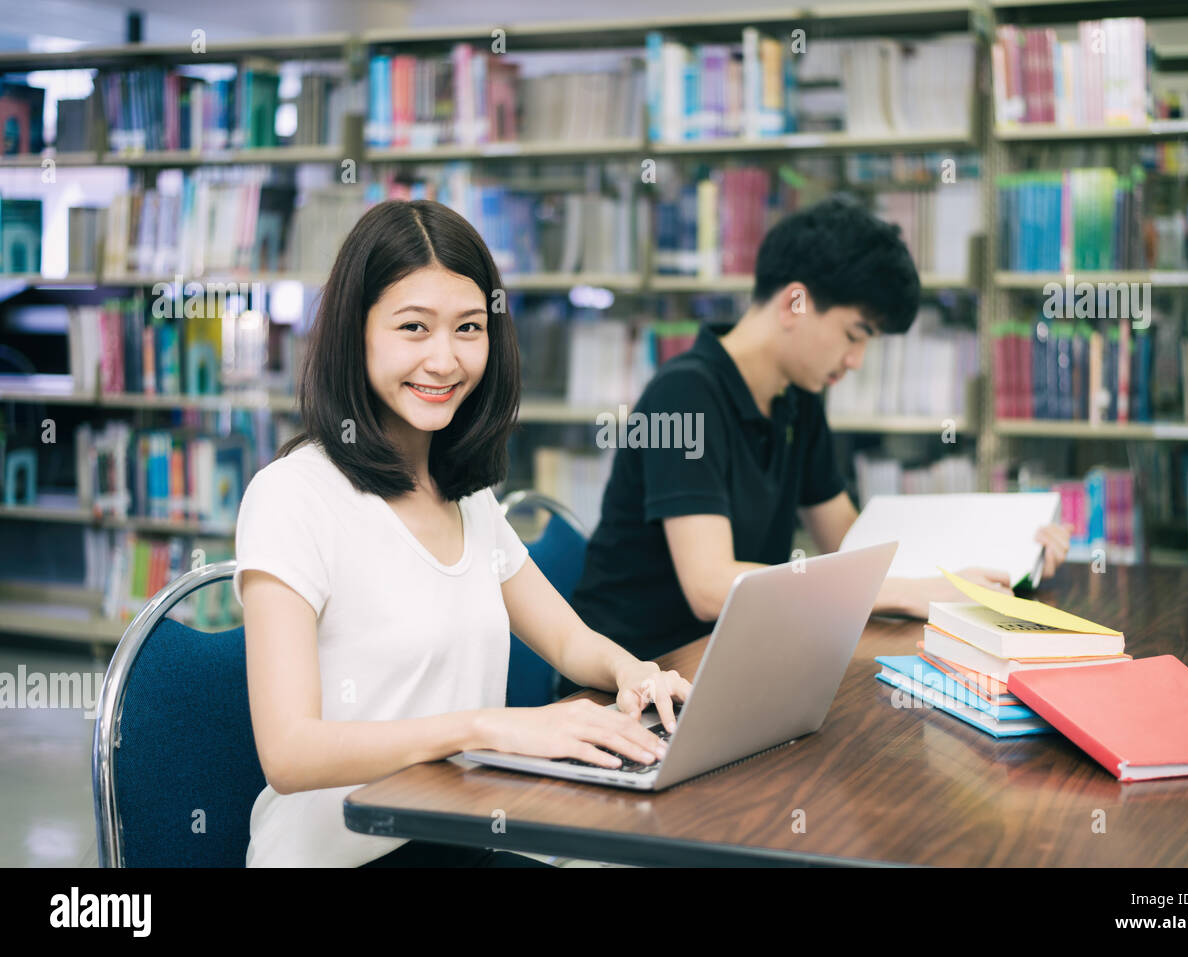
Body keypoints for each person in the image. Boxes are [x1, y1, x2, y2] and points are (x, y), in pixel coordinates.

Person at [234, 199, 691, 868]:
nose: (445, 359)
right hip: (343, 856)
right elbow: (289, 752)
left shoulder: (466, 494)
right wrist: (487, 728)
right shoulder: (291, 496)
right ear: (353, 333)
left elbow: (565, 638)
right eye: (413, 327)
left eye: (468, 327)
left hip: (454, 832)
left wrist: (633, 671)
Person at [570, 195, 1070, 666]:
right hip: (635, 678)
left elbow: (848, 544)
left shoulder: (797, 397)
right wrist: (905, 593)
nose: (855, 361)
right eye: (855, 335)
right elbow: (709, 587)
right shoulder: (682, 397)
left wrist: (1003, 562)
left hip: (735, 658)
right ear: (795, 303)